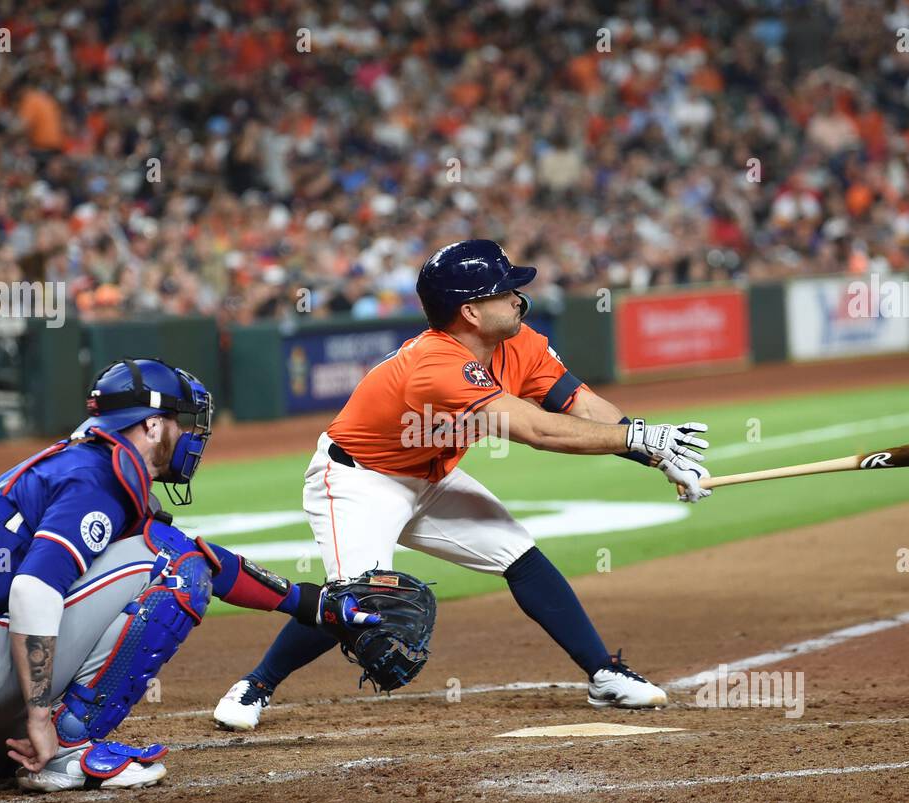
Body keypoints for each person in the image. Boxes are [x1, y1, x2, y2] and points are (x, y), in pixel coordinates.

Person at [0, 359, 379, 797]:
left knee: (178, 556)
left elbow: (214, 559)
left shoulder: (91, 461)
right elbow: (35, 587)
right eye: (179, 422)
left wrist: (316, 605)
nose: (189, 436)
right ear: (152, 424)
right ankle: (68, 746)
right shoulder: (95, 477)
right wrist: (37, 714)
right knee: (179, 572)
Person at [214, 240, 712, 731]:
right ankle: (256, 685)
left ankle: (603, 674)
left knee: (520, 556)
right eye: (504, 291)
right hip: (358, 480)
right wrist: (641, 437)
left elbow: (577, 403)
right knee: (360, 602)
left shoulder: (520, 342)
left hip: (431, 475)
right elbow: (537, 430)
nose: (518, 297)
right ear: (470, 312)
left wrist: (655, 453)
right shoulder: (436, 366)